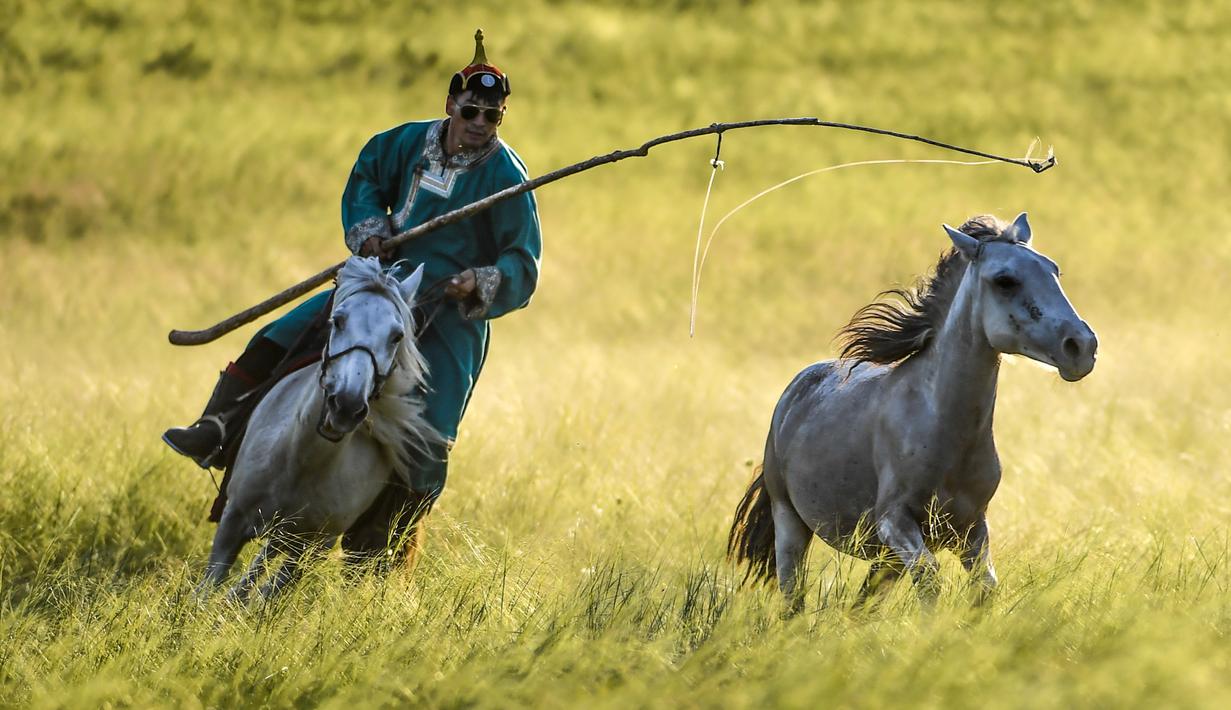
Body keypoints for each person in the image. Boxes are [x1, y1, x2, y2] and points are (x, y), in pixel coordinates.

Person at [163, 29, 542, 566]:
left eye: (492, 116)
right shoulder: (404, 143)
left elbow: (522, 261)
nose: (480, 124)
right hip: (380, 283)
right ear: (450, 104)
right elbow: (365, 179)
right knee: (276, 338)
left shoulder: (507, 177)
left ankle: (380, 538)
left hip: (449, 311)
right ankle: (215, 427)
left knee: (431, 436)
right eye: (471, 110)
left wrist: (478, 280)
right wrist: (369, 232)